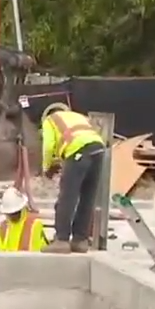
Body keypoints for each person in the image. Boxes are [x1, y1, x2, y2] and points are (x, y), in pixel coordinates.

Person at [40, 102, 107, 254]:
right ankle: (80, 240)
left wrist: (46, 167)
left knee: (67, 197)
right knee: (87, 197)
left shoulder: (50, 121)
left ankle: (62, 240)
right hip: (98, 150)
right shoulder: (77, 117)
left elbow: (49, 146)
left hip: (78, 151)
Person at [0, 186, 50, 252]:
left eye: (15, 213)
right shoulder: (0, 229)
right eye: (11, 214)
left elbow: (38, 253)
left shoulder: (34, 225)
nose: (13, 216)